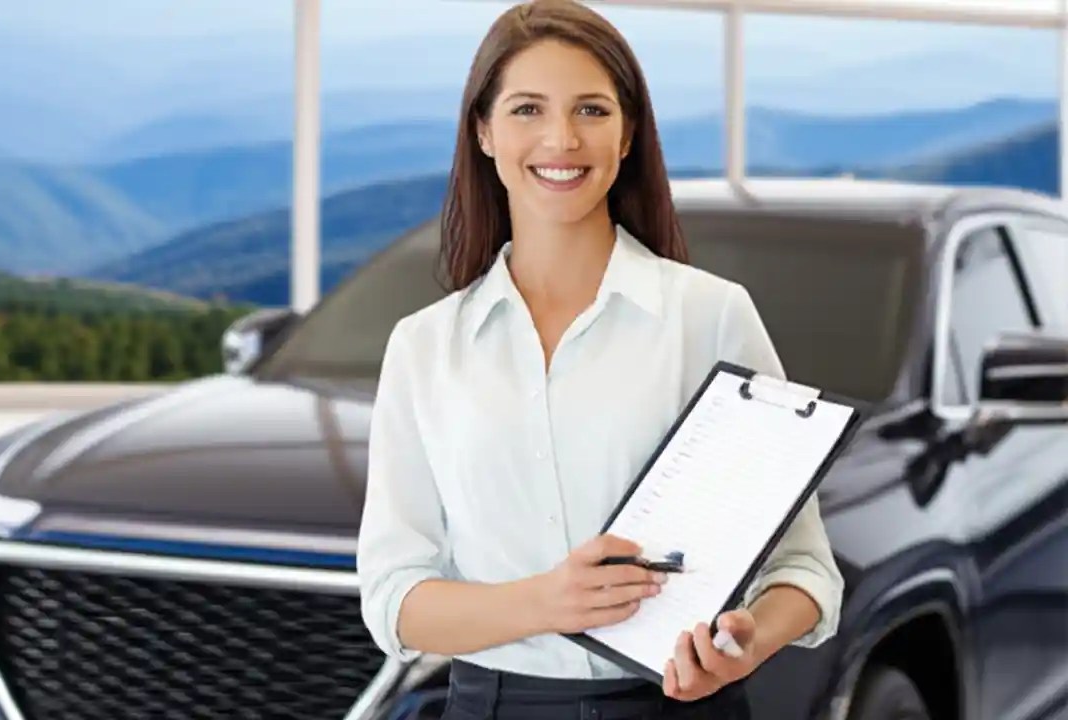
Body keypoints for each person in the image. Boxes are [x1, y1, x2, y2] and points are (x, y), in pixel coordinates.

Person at [356, 1, 844, 717]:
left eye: (591, 110)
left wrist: (749, 639)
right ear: (484, 132)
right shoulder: (426, 348)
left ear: (627, 136)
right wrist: (545, 601)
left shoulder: (709, 316)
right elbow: (394, 598)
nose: (561, 138)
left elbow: (806, 570)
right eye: (527, 109)